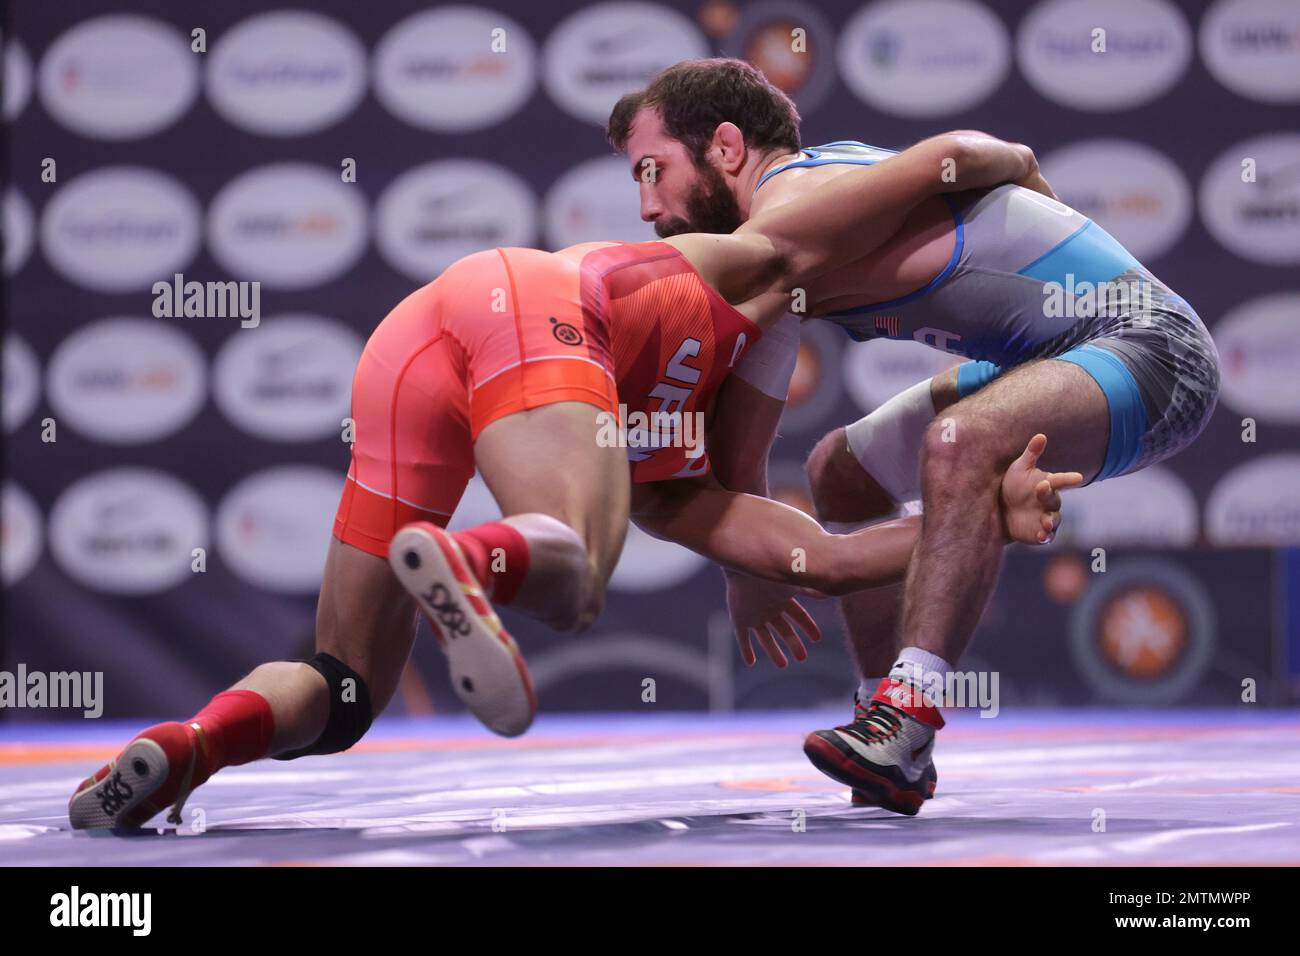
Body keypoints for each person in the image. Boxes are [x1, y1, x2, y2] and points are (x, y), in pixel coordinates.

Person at [67, 129, 1073, 830]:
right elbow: (934, 161)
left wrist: (977, 511)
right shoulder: (759, 262)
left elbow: (832, 560)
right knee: (579, 570)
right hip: (532, 310)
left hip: (416, 342)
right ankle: (467, 557)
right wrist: (1022, 167)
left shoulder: (673, 481)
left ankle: (187, 747)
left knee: (343, 685)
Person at [609, 58, 1220, 814]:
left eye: (651, 169)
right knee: (843, 470)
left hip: (1155, 350)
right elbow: (739, 459)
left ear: (727, 148)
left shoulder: (797, 207)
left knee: (959, 444)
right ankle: (885, 734)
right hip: (1048, 359)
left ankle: (910, 715)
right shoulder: (778, 259)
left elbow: (950, 155)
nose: (645, 206)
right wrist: (747, 574)